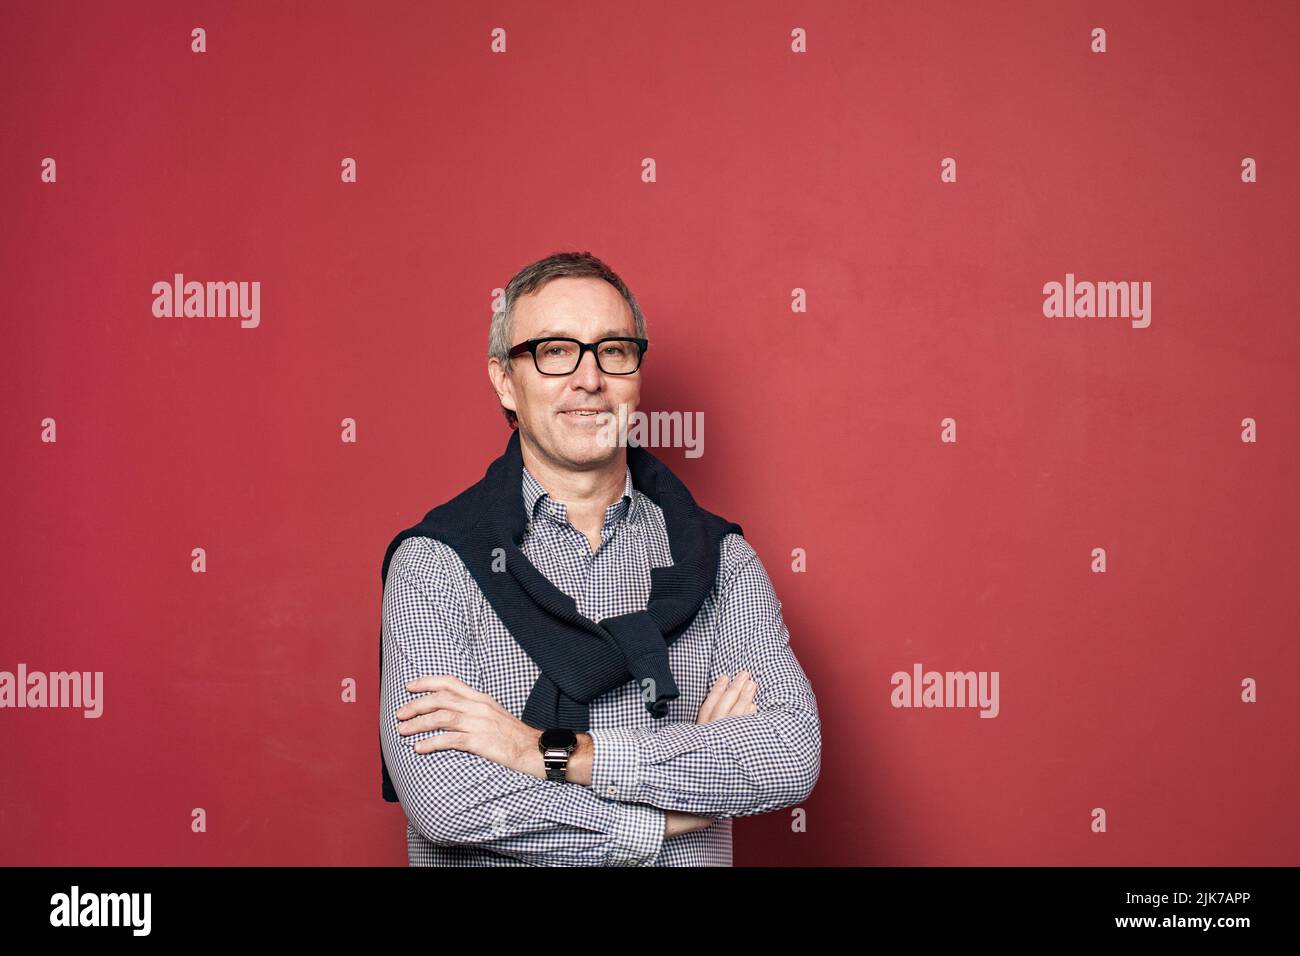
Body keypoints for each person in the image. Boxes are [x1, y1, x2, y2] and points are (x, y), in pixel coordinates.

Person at [377, 250, 821, 866]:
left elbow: (790, 753)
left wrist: (546, 752)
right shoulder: (436, 564)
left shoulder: (721, 561)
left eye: (612, 349)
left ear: (636, 371)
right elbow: (446, 799)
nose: (589, 379)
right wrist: (672, 812)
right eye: (555, 350)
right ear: (506, 379)